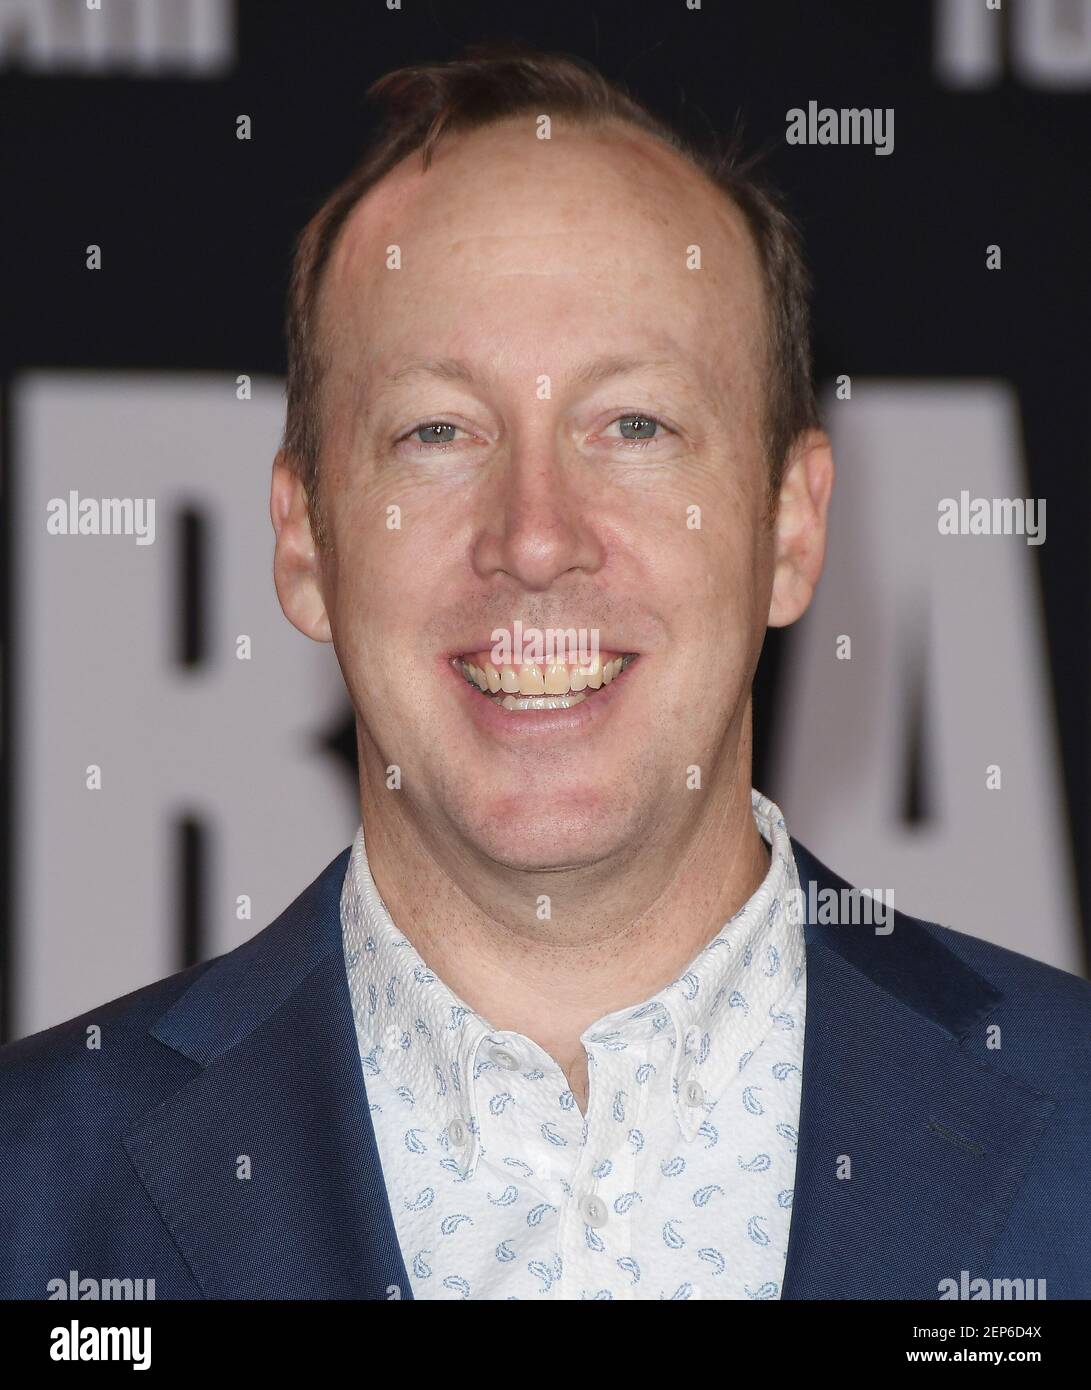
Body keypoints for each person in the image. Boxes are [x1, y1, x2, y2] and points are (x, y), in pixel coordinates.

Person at [3, 42, 1088, 1301]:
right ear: (303, 543)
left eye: (632, 424)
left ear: (788, 527)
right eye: (436, 431)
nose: (532, 536)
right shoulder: (31, 1196)